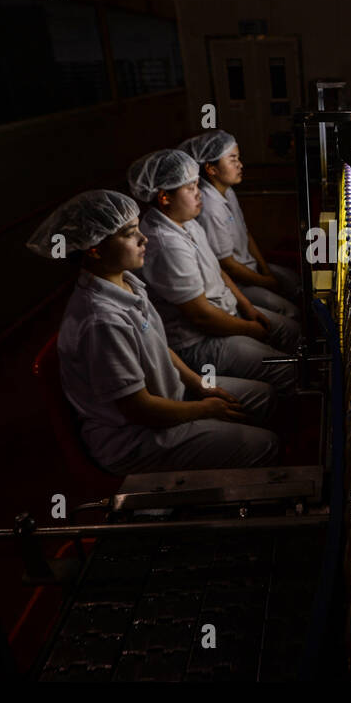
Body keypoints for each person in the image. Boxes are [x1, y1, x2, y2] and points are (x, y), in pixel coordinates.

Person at [26, 189, 280, 475]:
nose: (143, 238)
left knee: (264, 397)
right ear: (95, 249)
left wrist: (200, 385)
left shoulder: (129, 283)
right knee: (264, 445)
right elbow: (140, 409)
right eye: (129, 233)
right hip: (137, 436)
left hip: (169, 399)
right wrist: (206, 409)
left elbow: (161, 347)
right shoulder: (101, 321)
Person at [128, 149, 301, 396]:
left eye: (197, 185)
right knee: (287, 369)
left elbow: (218, 269)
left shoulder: (186, 220)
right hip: (199, 341)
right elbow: (201, 317)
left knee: (291, 330)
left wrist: (247, 308)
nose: (199, 193)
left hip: (225, 313)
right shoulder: (165, 245)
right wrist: (250, 328)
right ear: (165, 197)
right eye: (190, 188)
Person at [179, 129, 302, 320]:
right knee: (289, 312)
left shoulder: (227, 191)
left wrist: (266, 271)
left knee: (295, 282)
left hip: (250, 268)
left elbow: (246, 234)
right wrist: (266, 282)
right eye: (233, 159)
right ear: (212, 169)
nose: (241, 165)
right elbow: (228, 265)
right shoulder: (210, 208)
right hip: (238, 281)